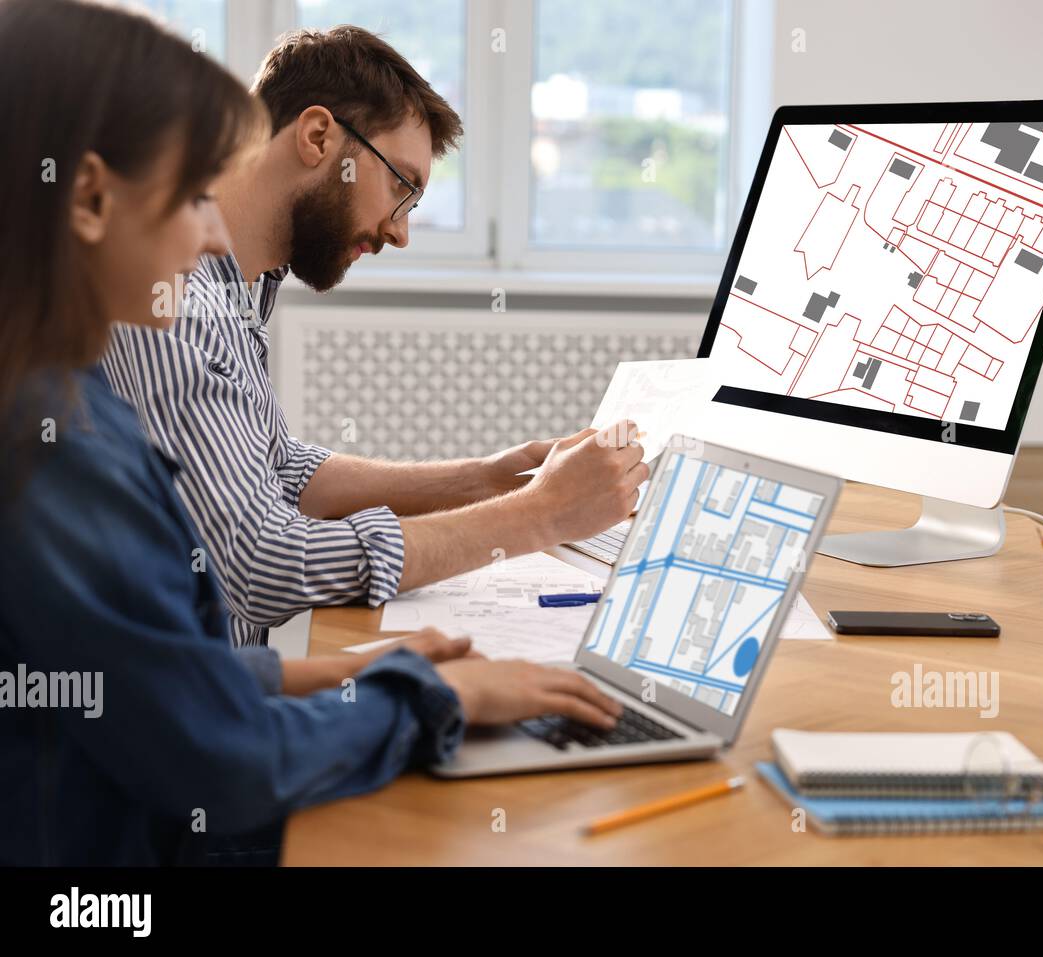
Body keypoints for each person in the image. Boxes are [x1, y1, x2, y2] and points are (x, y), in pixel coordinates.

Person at [0, 0, 620, 867]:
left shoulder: (69, 394)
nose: (212, 227)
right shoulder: (68, 435)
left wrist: (494, 485)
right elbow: (226, 714)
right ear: (95, 198)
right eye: (191, 191)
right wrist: (426, 690)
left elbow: (159, 668)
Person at [100, 24, 647, 648]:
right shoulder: (175, 303)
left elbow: (279, 468)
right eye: (401, 187)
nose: (400, 232)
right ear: (317, 136)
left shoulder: (238, 286)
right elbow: (261, 566)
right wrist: (539, 514)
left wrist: (489, 478)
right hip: (199, 718)